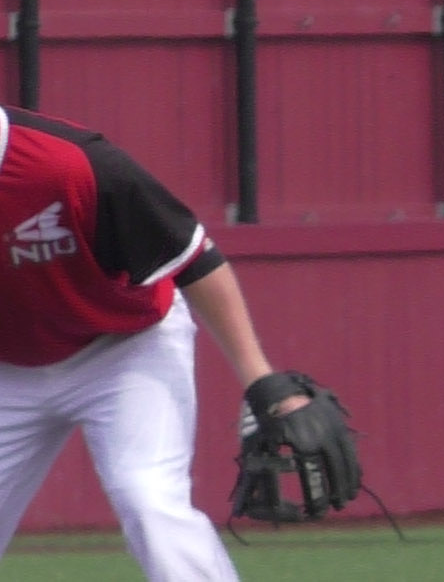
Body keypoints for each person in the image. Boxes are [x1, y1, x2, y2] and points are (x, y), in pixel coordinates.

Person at [0, 104, 316, 581]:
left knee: (149, 502)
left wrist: (262, 379)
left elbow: (193, 259)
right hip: (10, 369)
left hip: (123, 349)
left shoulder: (70, 164)